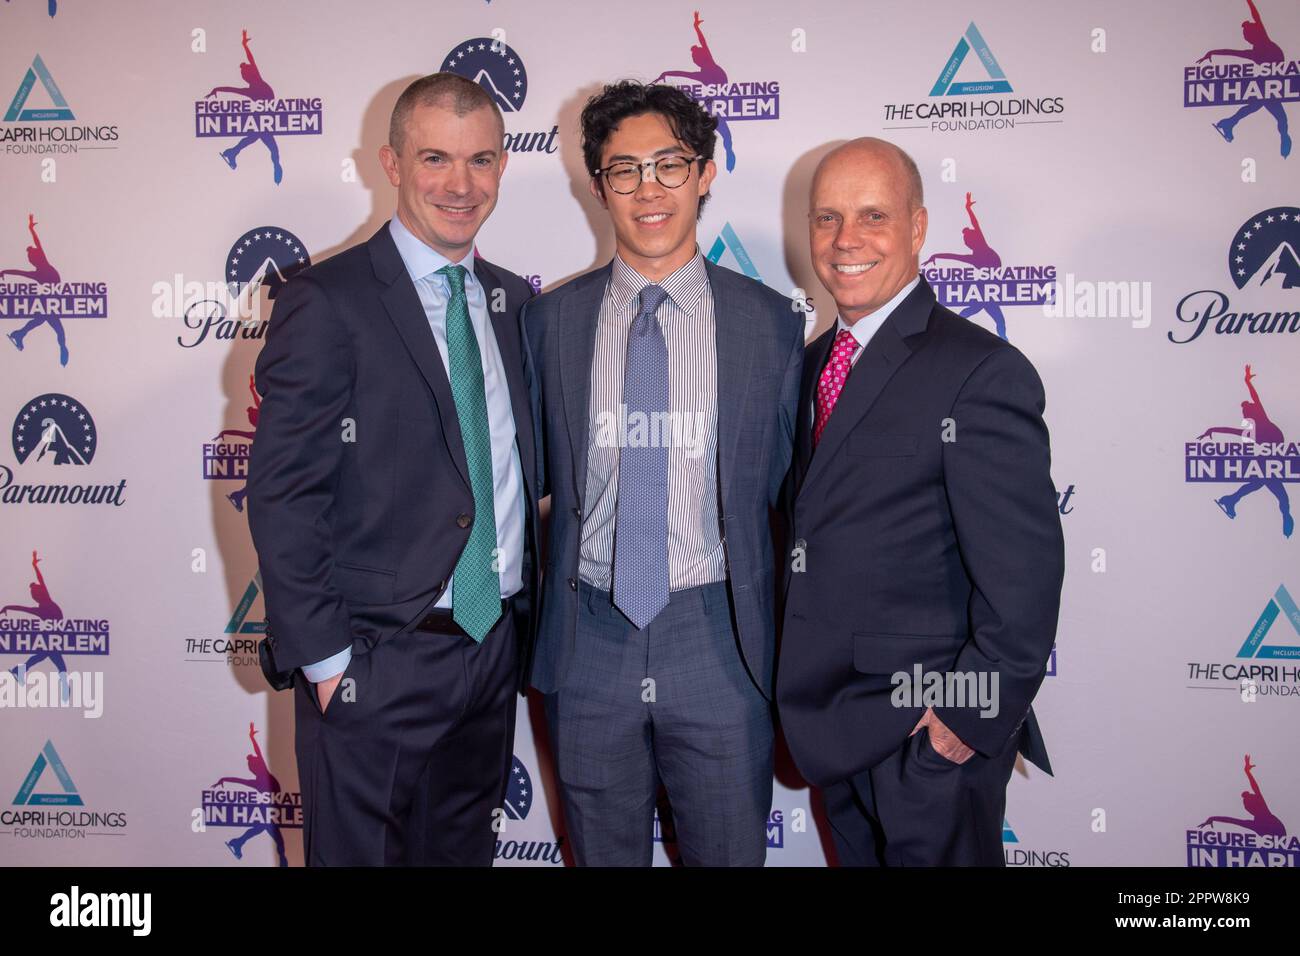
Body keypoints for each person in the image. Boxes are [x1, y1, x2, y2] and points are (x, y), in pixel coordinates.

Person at [247, 72, 539, 866]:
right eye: (436, 158)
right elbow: (281, 494)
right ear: (392, 162)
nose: (460, 184)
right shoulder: (328, 300)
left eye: (481, 160)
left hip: (489, 654)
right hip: (379, 663)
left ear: (504, 167)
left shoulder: (513, 302)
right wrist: (333, 666)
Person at [523, 81, 803, 866]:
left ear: (706, 173)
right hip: (588, 642)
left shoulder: (773, 325)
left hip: (720, 638)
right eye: (624, 170)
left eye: (669, 165)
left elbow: (795, 494)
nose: (648, 189)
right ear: (597, 185)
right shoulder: (548, 325)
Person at [777, 137, 1064, 866]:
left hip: (929, 740)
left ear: (917, 228)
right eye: (827, 218)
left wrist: (960, 720)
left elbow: (1023, 579)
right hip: (836, 727)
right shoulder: (807, 367)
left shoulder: (979, 371)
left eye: (873, 215)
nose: (846, 241)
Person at [1197, 364, 1293, 538]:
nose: (1246, 414)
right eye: (1246, 412)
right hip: (1268, 464)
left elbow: (1254, 398)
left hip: (1272, 463)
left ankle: (1231, 500)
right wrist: (1211, 430)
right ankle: (1232, 500)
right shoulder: (1255, 428)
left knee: (1267, 490)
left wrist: (1247, 382)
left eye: (1247, 411)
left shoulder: (1260, 420)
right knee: (1278, 495)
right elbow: (1230, 430)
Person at [1198, 0, 1291, 158]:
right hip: (1267, 87)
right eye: (1245, 36)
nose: (1246, 38)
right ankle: (1229, 123)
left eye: (1247, 35)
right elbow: (1230, 52)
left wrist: (1248, 1)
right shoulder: (1253, 53)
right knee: (1270, 114)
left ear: (1255, 34)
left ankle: (1229, 123)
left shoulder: (1264, 40)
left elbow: (1256, 15)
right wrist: (1212, 52)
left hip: (1272, 87)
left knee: (1275, 117)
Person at [205, 29, 284, 184]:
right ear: (247, 77)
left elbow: (250, 59)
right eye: (246, 74)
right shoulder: (251, 89)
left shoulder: (257, 83)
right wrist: (216, 89)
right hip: (261, 122)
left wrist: (244, 45)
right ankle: (233, 152)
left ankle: (233, 152)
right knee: (267, 147)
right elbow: (231, 89)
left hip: (264, 121)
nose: (248, 74)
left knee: (257, 142)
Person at [3, 214, 69, 366]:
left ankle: (19, 334)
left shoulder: (43, 263)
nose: (31, 260)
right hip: (48, 304)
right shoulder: (37, 272)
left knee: (41, 323)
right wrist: (4, 271)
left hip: (51, 303)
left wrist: (31, 229)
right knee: (56, 329)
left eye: (32, 258)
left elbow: (37, 242)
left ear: (37, 257)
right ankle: (20, 335)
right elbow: (20, 272)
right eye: (30, 259)